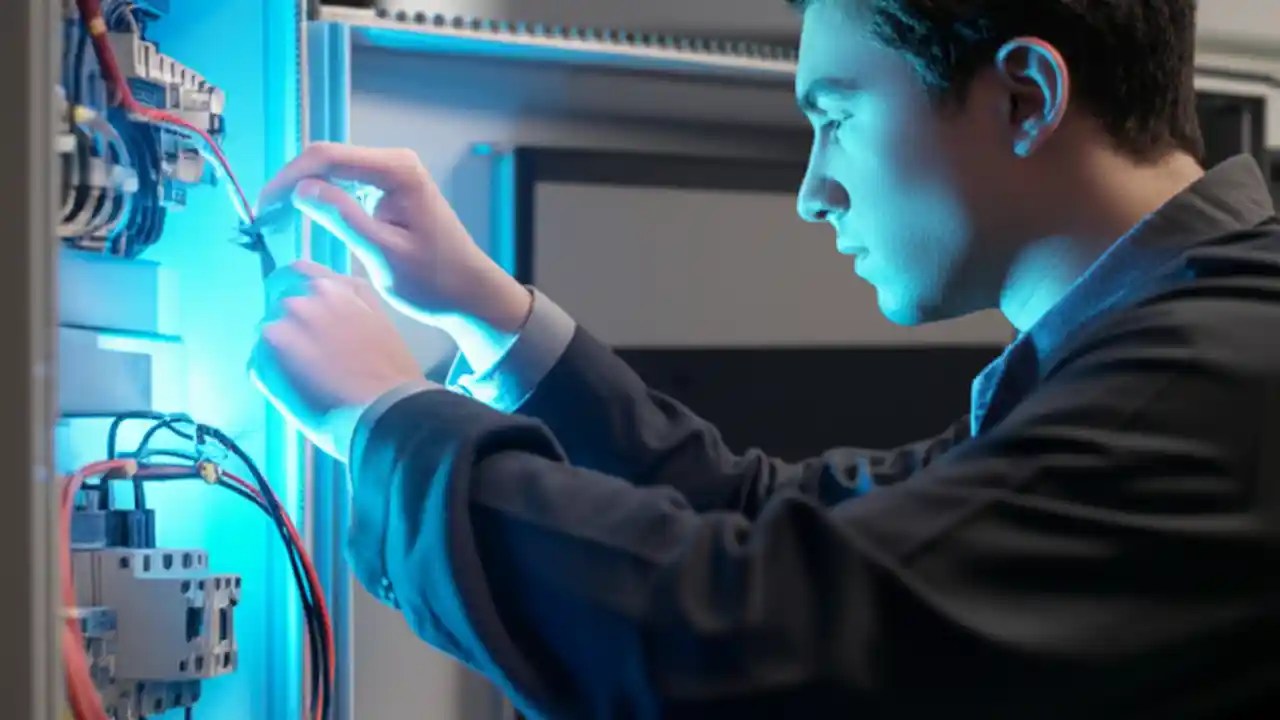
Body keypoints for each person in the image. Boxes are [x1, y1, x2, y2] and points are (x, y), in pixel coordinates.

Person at [248, 0, 1280, 716]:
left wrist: (384, 418)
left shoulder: (1200, 389)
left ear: (1024, 96)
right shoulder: (1169, 346)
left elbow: (749, 640)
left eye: (836, 116)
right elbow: (776, 516)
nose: (812, 191)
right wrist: (488, 315)